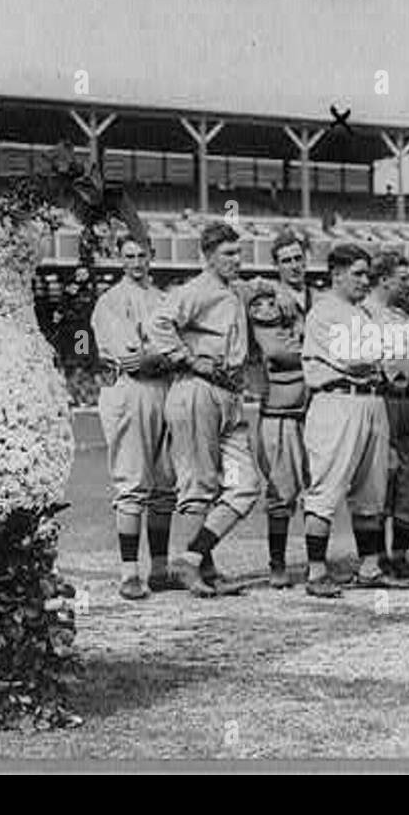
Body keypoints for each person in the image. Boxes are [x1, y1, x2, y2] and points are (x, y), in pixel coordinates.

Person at [149, 222, 263, 597]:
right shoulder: (197, 289)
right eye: (227, 254)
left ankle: (193, 558)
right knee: (199, 485)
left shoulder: (230, 291)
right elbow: (158, 323)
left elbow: (258, 288)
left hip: (229, 393)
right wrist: (186, 358)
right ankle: (198, 568)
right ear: (208, 256)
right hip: (198, 389)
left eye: (238, 252)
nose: (236, 259)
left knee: (245, 485)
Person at [299, 243, 409, 597]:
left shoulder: (362, 312)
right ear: (337, 275)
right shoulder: (325, 311)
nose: (366, 280)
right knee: (326, 488)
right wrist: (392, 347)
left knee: (371, 492)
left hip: (371, 401)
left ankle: (369, 567)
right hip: (336, 401)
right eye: (358, 274)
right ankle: (316, 572)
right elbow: (356, 359)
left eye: (368, 274)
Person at [90, 234, 178, 600]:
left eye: (142, 255)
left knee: (165, 482)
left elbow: (172, 350)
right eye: (129, 255)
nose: (137, 261)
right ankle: (129, 573)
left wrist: (163, 354)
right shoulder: (110, 301)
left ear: (152, 256)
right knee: (132, 481)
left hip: (166, 389)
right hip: (130, 389)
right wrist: (164, 353)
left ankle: (158, 570)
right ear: (119, 257)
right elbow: (133, 358)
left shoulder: (165, 299)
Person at [245, 229, 311, 588]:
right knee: (282, 491)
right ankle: (277, 564)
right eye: (286, 260)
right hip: (281, 410)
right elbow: (276, 352)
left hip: (315, 410)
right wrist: (320, 355)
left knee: (319, 488)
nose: (294, 265)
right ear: (276, 266)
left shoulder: (321, 299)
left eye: (298, 258)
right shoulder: (268, 299)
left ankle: (317, 563)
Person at [362, 250, 409, 581]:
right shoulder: (363, 313)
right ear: (385, 279)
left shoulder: (403, 317)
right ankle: (377, 556)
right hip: (381, 397)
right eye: (403, 277)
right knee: (380, 478)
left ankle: (400, 553)